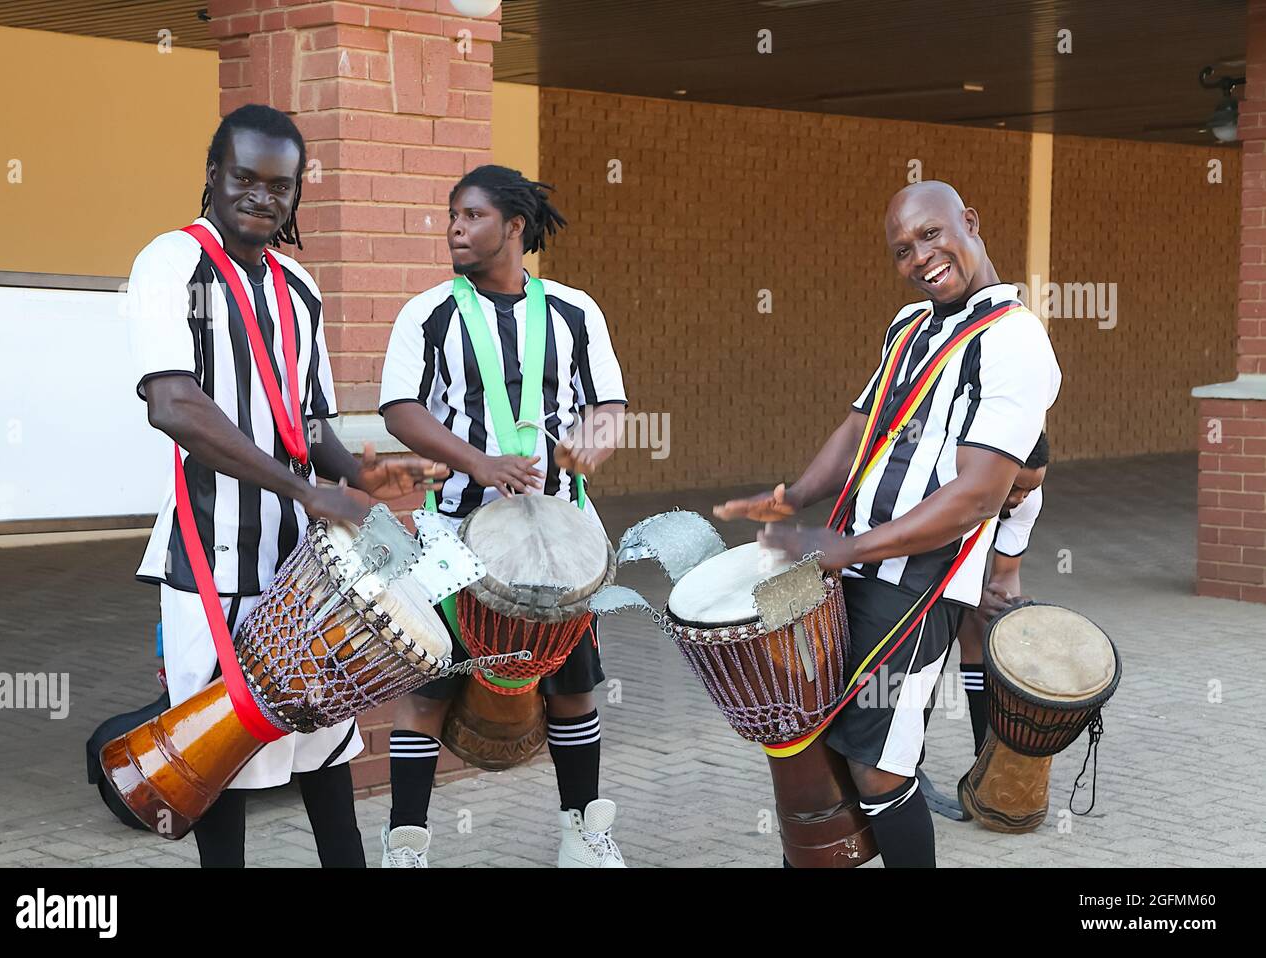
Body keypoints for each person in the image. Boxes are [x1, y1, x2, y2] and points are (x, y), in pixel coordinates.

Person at [127, 104, 443, 867]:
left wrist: (356, 470)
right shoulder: (171, 263)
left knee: (325, 756)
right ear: (213, 175)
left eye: (281, 185)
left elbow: (304, 421)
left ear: (298, 193)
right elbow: (175, 405)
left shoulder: (300, 287)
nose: (262, 197)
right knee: (221, 764)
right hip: (211, 561)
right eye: (245, 178)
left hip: (304, 568)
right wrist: (310, 494)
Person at [715, 181, 1061, 867]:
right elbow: (859, 424)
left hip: (918, 587)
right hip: (847, 565)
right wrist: (796, 496)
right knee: (808, 745)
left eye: (931, 235)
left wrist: (844, 550)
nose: (920, 257)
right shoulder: (908, 327)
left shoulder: (1016, 341)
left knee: (881, 768)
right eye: (903, 249)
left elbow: (976, 497)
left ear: (970, 221)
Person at [377, 165, 629, 868]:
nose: (456, 229)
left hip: (559, 541)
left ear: (515, 226)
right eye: (453, 216)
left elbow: (609, 406)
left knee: (574, 692)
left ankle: (583, 834)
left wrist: (595, 444)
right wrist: (479, 464)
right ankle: (408, 845)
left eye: (472, 216)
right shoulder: (428, 312)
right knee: (426, 691)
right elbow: (400, 409)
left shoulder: (577, 309)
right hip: (452, 537)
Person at [957, 431, 1050, 753]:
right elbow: (923, 559)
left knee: (983, 631)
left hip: (959, 561)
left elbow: (1007, 572)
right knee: (927, 655)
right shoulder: (953, 486)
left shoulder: (1026, 499)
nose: (1020, 498)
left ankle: (984, 759)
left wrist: (1007, 605)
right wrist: (969, 594)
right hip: (904, 571)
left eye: (1030, 489)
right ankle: (909, 766)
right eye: (1015, 487)